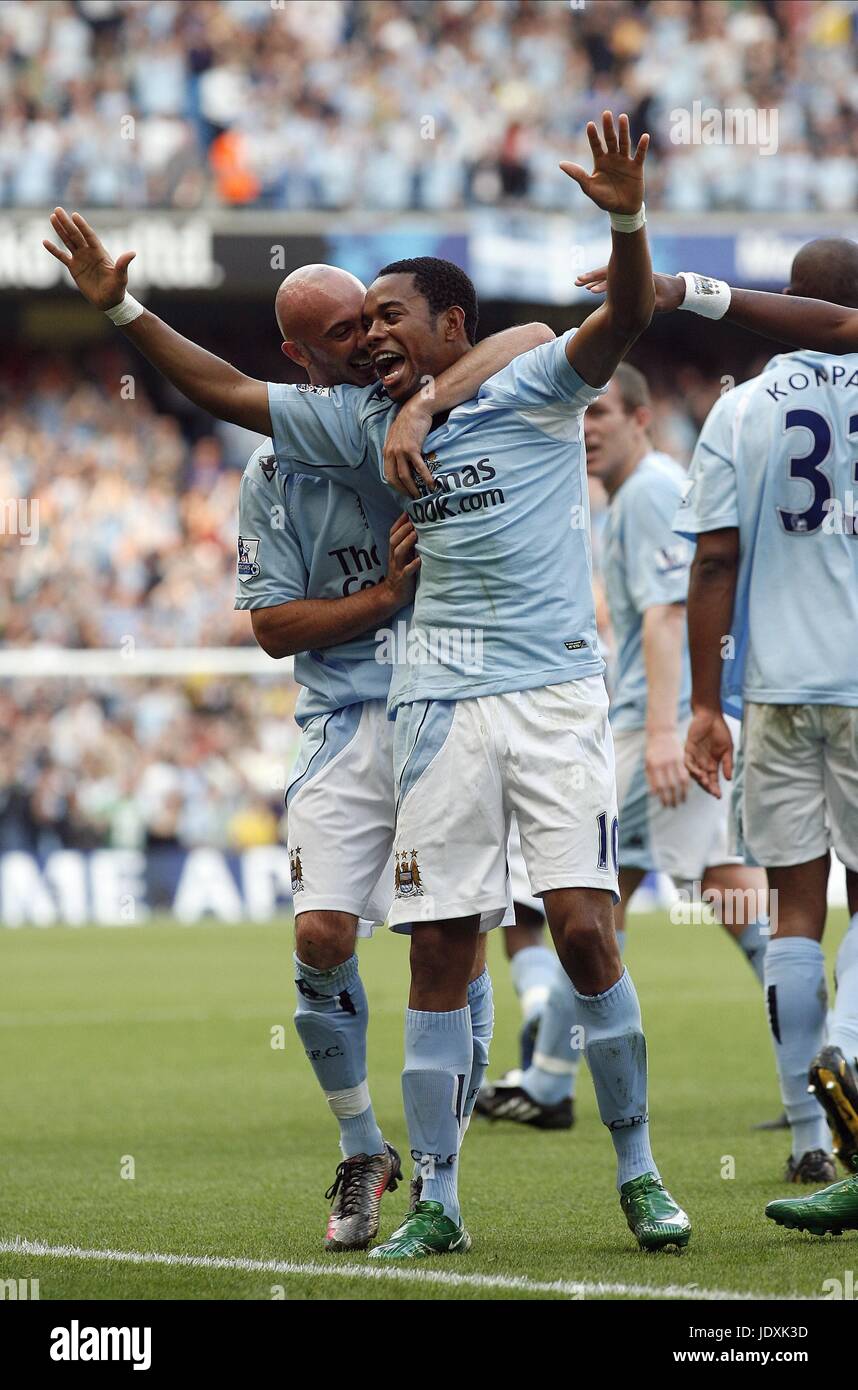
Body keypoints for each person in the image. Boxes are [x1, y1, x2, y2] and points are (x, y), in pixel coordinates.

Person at [43, 112, 692, 1258]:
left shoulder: (536, 386)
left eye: (387, 318)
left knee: (587, 928)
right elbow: (226, 392)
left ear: (448, 323)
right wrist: (116, 308)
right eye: (356, 327)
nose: (369, 337)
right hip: (431, 705)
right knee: (436, 949)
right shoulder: (346, 424)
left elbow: (612, 314)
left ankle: (640, 1171)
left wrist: (628, 219)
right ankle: (435, 1199)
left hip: (550, 695)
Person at [476, 364, 769, 1132]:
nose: (588, 428)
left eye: (602, 412)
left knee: (597, 905)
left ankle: (547, 1081)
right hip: (673, 719)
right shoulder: (633, 495)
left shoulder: (649, 493)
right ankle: (816, 1077)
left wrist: (668, 731)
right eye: (581, 416)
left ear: (643, 417)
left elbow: (669, 616)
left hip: (659, 727)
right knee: (722, 894)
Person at [664, 241, 858, 1214]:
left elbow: (711, 565)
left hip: (778, 686)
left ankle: (810, 1137)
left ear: (792, 301)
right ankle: (850, 1053)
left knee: (793, 908)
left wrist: (706, 702)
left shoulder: (740, 408)